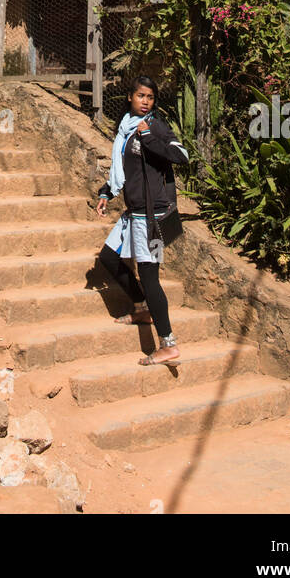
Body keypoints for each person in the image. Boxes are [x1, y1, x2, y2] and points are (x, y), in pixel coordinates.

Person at [96, 74, 189, 365]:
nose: (145, 102)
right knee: (109, 258)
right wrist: (106, 193)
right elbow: (125, 168)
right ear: (130, 97)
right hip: (132, 213)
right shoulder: (124, 127)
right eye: (141, 96)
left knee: (151, 278)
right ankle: (143, 308)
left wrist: (149, 137)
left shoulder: (155, 126)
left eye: (150, 97)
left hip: (152, 217)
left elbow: (182, 155)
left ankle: (168, 343)